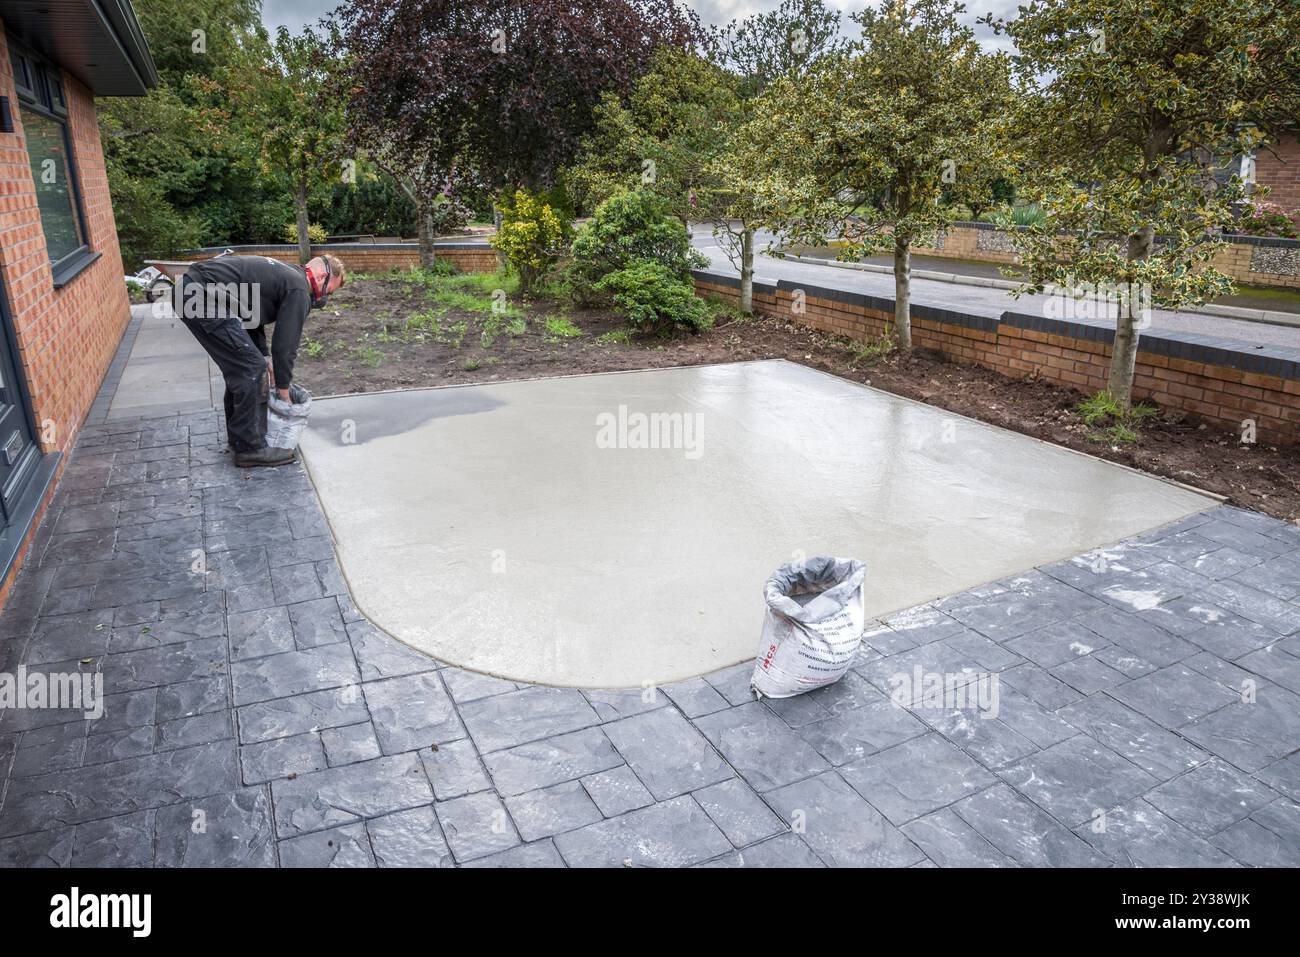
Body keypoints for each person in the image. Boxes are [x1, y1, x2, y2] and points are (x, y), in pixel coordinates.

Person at [172, 253, 344, 467]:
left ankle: (239, 439)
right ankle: (250, 448)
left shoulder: (285, 275)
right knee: (252, 370)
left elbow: (250, 316)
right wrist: (283, 391)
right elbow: (286, 345)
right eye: (329, 291)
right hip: (201, 296)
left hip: (193, 292)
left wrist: (263, 353)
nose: (325, 298)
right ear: (321, 277)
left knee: (244, 366)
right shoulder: (299, 288)